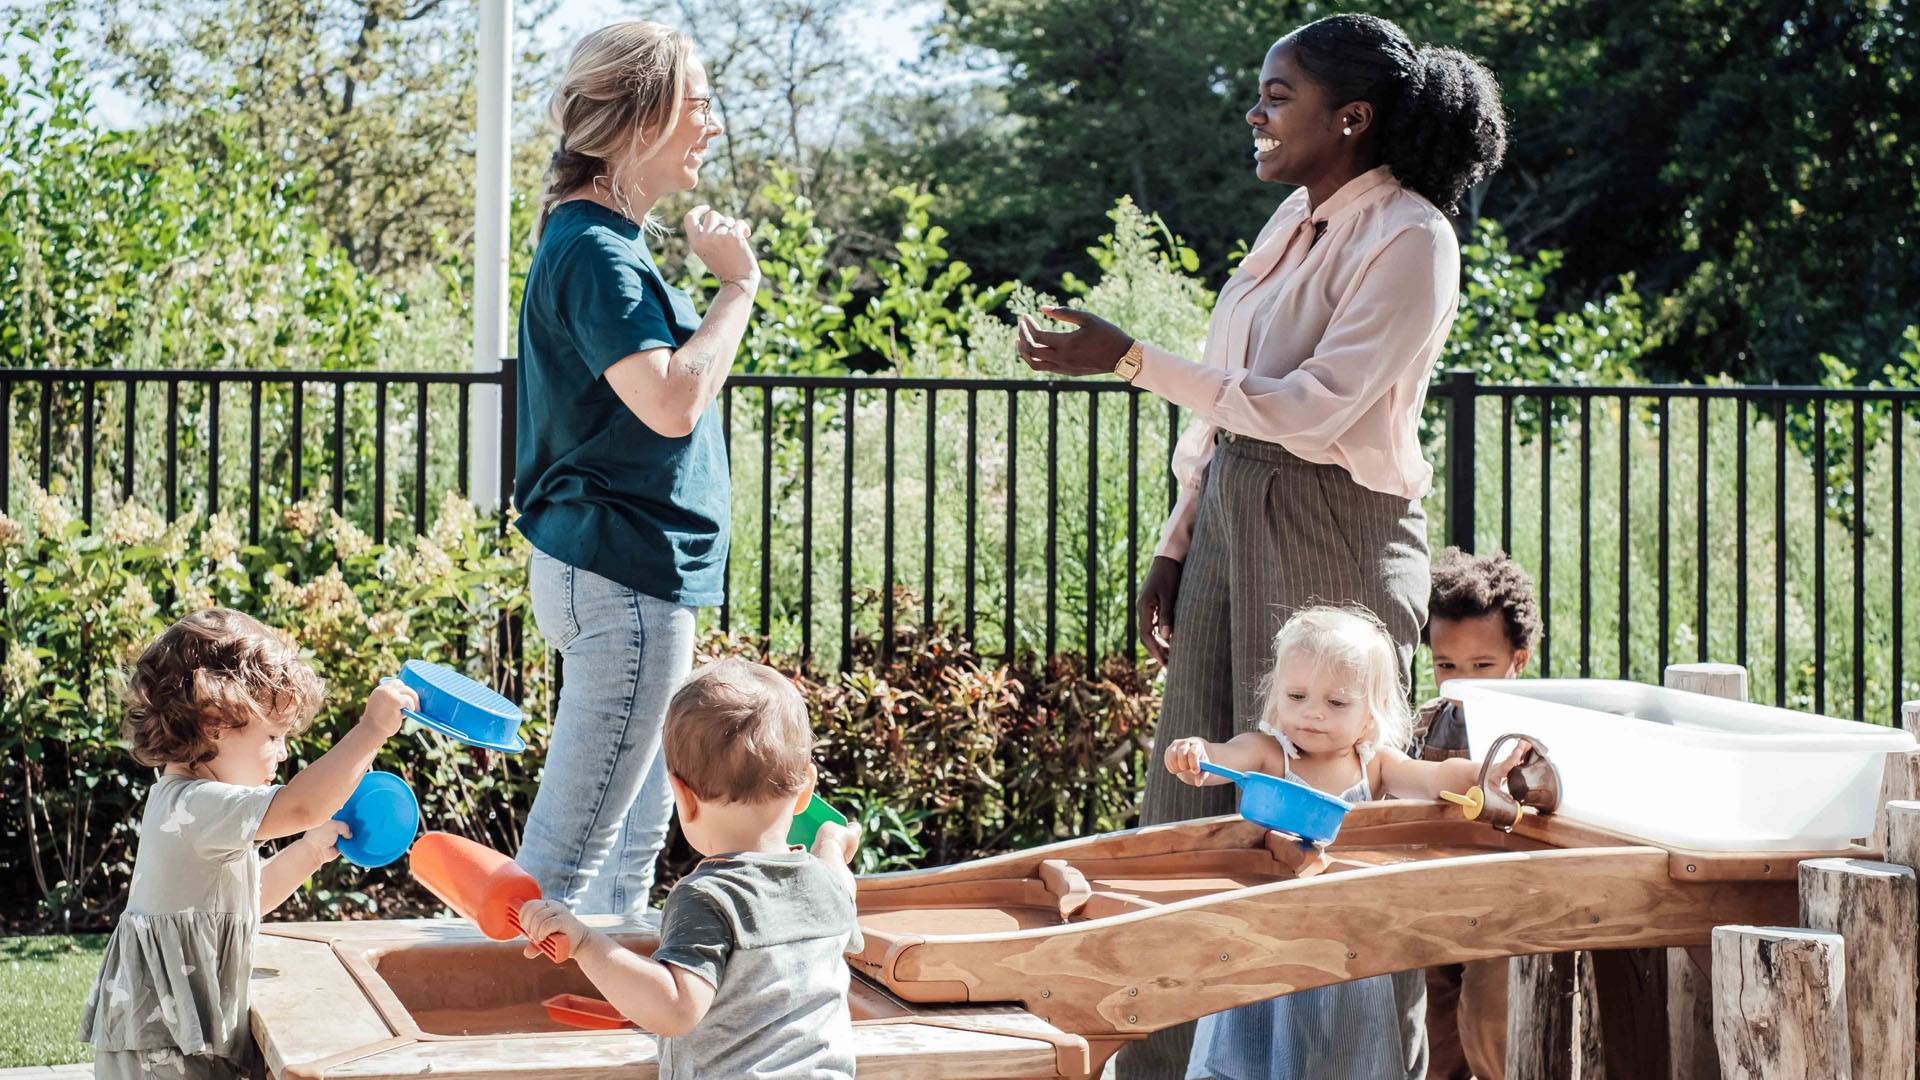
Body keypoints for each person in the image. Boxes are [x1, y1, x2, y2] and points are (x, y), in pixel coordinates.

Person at [1011, 14, 1506, 1075]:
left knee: (1329, 834)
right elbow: (1234, 406)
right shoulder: (1293, 217)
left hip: (1336, 523)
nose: (1257, 111)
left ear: (1352, 116)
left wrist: (1133, 359)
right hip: (1237, 505)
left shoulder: (1413, 237)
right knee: (1191, 808)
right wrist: (1179, 538)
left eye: (1279, 94)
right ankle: (1164, 1065)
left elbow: (1314, 409)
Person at [513, 20, 761, 915]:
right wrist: (736, 289)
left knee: (625, 852)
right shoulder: (596, 253)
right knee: (572, 861)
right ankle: (512, 1038)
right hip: (621, 574)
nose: (714, 125)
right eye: (700, 103)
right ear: (642, 116)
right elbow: (671, 401)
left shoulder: (600, 245)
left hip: (631, 576)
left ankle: (611, 1028)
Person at [1165, 607, 1525, 1080]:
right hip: (1270, 942)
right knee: (1253, 1053)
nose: (1312, 712)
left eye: (1337, 703)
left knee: (1346, 1057)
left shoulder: (1373, 765)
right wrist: (1194, 754)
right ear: (1277, 698)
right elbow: (1220, 758)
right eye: (1297, 696)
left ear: (1370, 714)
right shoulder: (1268, 754)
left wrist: (1485, 772)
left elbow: (1435, 777)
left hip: (1346, 950)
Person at [78, 608, 418, 1079]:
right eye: (274, 736)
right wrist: (371, 731)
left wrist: (309, 851)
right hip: (161, 1052)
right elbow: (303, 805)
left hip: (180, 1037)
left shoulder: (201, 811)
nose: (283, 752)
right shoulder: (193, 807)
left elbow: (245, 901)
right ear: (216, 722)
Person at [518, 659, 864, 1080]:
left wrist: (586, 943)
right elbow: (839, 878)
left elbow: (676, 1008)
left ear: (682, 796)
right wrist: (831, 841)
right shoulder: (826, 882)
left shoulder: (709, 897)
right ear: (806, 789)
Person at [1413, 548, 1541, 1080]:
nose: (1461, 680)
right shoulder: (1425, 729)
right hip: (1434, 898)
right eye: (1447, 666)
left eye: (1482, 666)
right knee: (1430, 1038)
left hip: (1504, 911)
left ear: (1520, 659)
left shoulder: (1535, 735)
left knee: (1493, 1024)